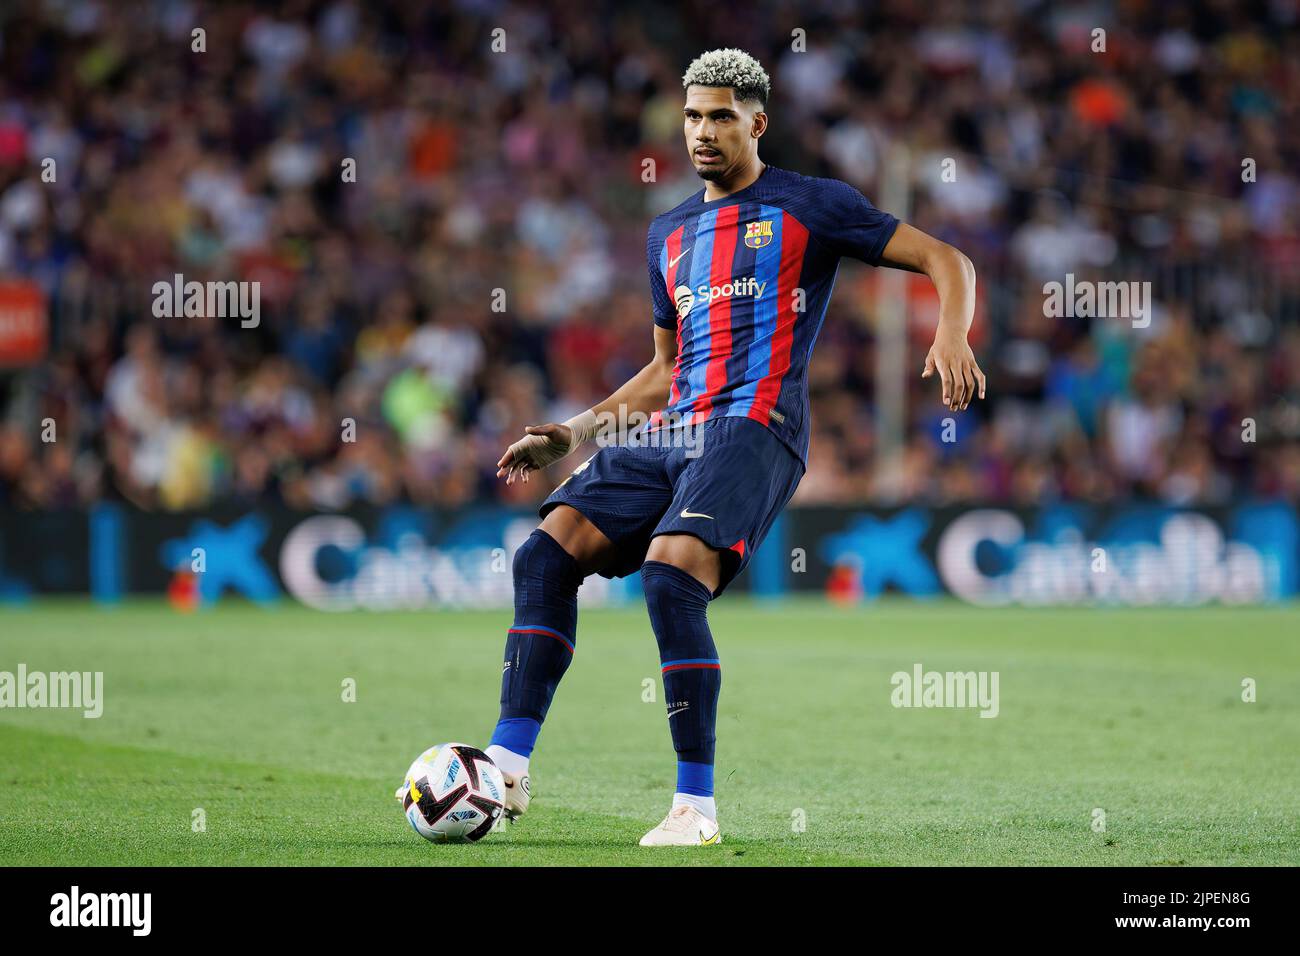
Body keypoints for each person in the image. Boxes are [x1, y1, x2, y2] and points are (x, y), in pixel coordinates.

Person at [487, 48, 984, 846]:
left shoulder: (811, 204)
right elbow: (662, 370)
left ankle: (695, 809)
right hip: (674, 427)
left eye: (721, 115)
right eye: (692, 116)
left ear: (758, 121)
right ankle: (506, 769)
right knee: (544, 556)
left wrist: (951, 332)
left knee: (669, 573)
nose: (704, 131)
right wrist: (573, 435)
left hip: (756, 428)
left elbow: (944, 258)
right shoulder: (669, 234)